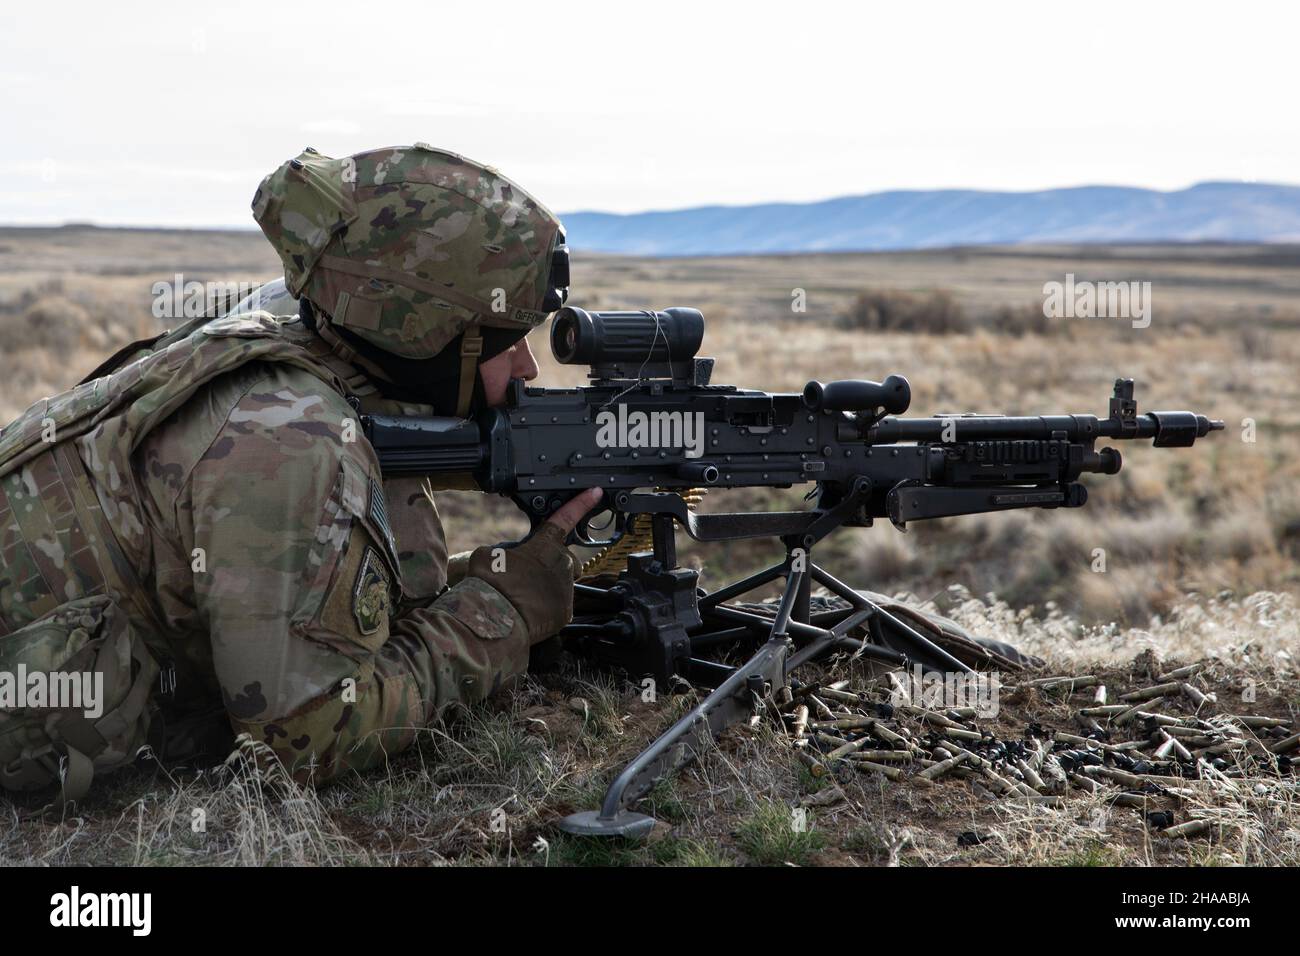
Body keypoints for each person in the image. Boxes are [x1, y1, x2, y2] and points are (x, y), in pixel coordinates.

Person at [0, 145, 600, 797]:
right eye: (503, 340)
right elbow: (302, 740)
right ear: (422, 331)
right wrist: (500, 611)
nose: (527, 369)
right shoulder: (291, 434)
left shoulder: (306, 331)